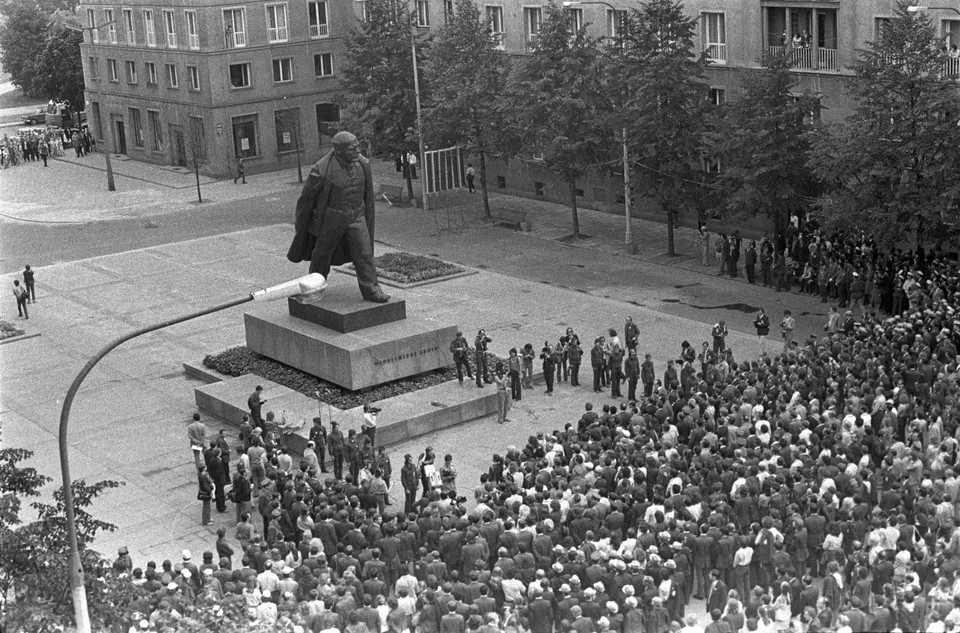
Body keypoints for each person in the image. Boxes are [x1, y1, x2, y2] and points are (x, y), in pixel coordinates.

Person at [287, 130, 390, 303]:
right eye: (352, 149)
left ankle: (371, 290)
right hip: (332, 219)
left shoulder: (363, 164)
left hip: (357, 216)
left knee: (364, 253)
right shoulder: (321, 170)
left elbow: (367, 196)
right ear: (338, 150)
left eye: (357, 147)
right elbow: (306, 201)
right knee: (322, 255)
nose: (357, 151)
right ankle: (313, 288)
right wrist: (302, 227)